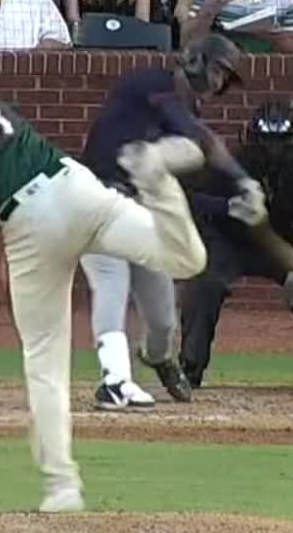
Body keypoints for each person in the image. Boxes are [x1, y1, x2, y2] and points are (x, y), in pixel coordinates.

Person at [0, 40, 211, 511]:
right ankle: (157, 176)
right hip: (76, 187)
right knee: (185, 261)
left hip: (34, 228)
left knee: (45, 360)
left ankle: (62, 488)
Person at [78, 34, 266, 409]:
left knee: (163, 317)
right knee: (110, 288)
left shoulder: (179, 122)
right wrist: (241, 178)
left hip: (142, 212)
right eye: (217, 72)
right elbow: (198, 137)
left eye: (224, 78)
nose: (218, 84)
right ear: (195, 59)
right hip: (98, 199)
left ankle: (160, 357)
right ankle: (114, 379)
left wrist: (241, 187)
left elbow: (193, 153)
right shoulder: (151, 84)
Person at [178, 98, 293, 388]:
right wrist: (229, 206)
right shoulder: (230, 168)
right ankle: (189, 369)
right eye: (266, 142)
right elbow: (192, 200)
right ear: (252, 140)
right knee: (205, 282)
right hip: (230, 241)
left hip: (285, 243)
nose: (273, 150)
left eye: (281, 142)